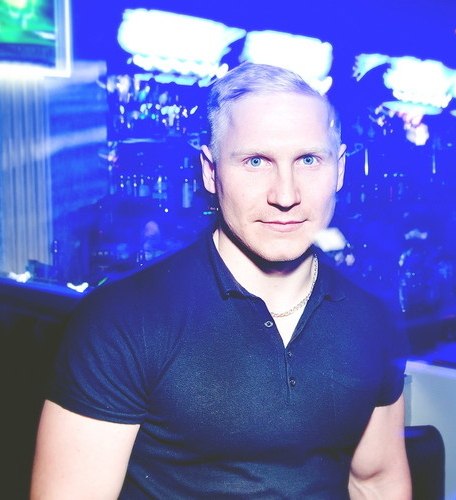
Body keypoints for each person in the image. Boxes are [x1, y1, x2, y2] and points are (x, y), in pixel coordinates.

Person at [31, 62, 411, 499]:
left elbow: (375, 481)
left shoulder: (372, 318)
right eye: (255, 161)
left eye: (308, 160)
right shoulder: (123, 320)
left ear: (339, 168)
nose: (285, 195)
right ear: (211, 172)